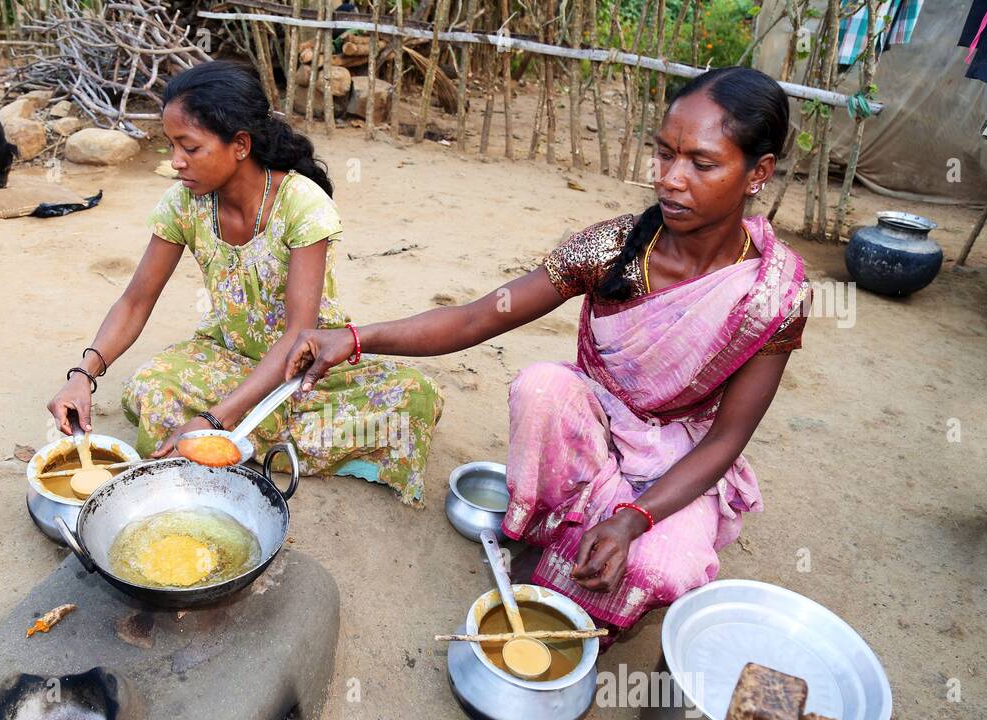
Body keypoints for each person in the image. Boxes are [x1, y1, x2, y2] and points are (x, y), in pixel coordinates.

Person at [283, 67, 811, 643]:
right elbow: (479, 316)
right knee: (543, 387)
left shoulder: (772, 297)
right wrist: (355, 339)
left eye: (701, 164)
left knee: (661, 566)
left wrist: (634, 518)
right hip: (594, 429)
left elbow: (725, 440)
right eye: (663, 155)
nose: (671, 180)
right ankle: (559, 531)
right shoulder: (613, 247)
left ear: (757, 172)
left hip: (679, 457)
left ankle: (605, 547)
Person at [46, 60, 443, 505]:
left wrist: (213, 420)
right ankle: (257, 438)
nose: (175, 162)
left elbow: (298, 336)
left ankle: (232, 438)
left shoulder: (300, 203)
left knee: (414, 397)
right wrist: (84, 375)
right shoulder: (183, 204)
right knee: (151, 389)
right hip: (227, 355)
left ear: (239, 145)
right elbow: (137, 300)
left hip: (309, 370)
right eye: (171, 145)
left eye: (189, 148)